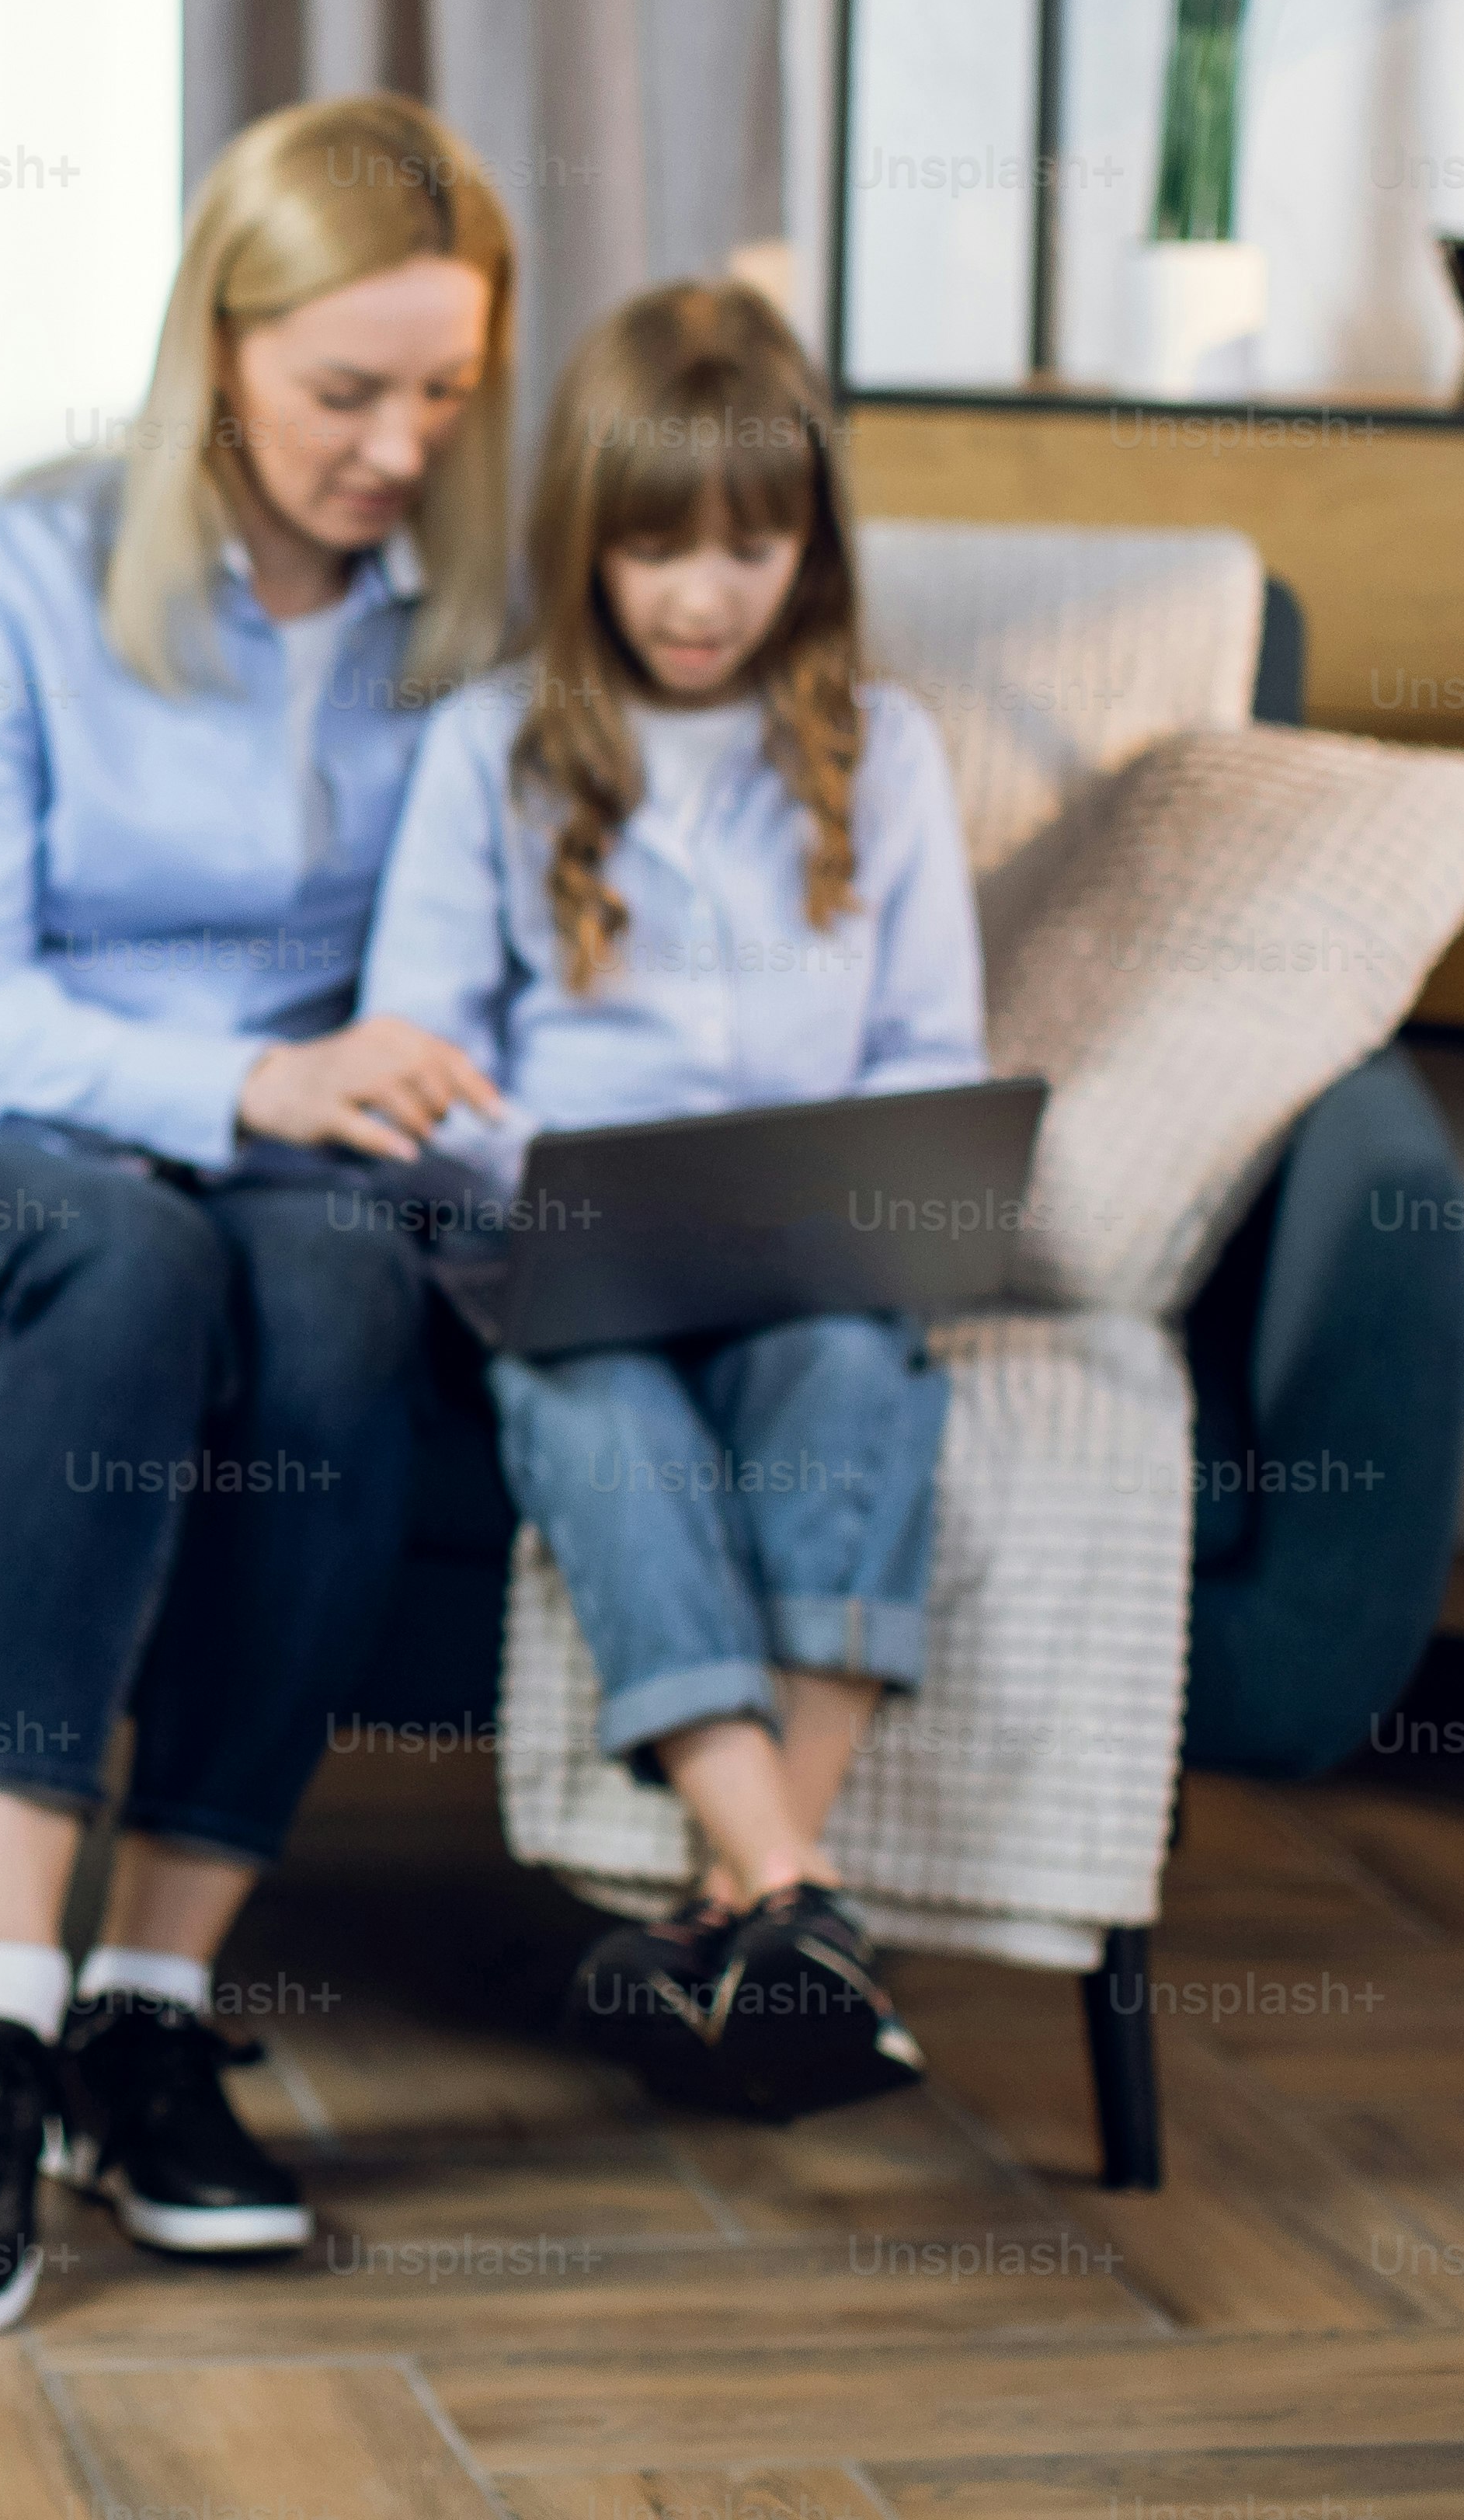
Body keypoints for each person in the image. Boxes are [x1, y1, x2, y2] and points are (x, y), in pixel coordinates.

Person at [0, 94, 520, 2334]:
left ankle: (147, 2018)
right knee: (133, 1249)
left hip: (287, 1181)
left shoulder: (459, 623)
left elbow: (463, 975)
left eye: (448, 393)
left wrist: (422, 1113)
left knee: (340, 1288)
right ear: (221, 344)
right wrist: (250, 1076)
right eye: (345, 393)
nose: (400, 444)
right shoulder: (16, 576)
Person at [357, 275, 981, 2119]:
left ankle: (753, 1901)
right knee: (594, 1408)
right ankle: (799, 1901)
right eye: (654, 550)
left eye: (751, 545)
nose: (703, 596)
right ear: (586, 543)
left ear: (813, 546)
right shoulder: (492, 745)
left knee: (861, 1381)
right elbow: (416, 1056)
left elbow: (934, 1051)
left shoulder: (892, 749)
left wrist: (885, 1177)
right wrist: (526, 1164)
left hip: (815, 1251)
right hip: (570, 1248)